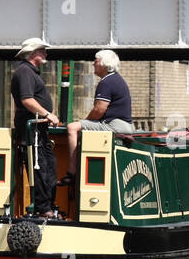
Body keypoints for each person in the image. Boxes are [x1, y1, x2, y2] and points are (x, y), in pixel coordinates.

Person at [11, 38, 60, 218]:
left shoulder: (32, 73)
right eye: (43, 50)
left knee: (49, 167)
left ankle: (48, 206)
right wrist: (48, 114)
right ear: (33, 53)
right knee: (38, 168)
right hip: (32, 131)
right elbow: (27, 100)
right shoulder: (25, 72)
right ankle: (43, 209)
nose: (46, 54)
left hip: (41, 130)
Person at [64, 50, 134, 179]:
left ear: (104, 64)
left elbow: (98, 111)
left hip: (114, 125)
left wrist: (84, 122)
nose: (93, 64)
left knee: (72, 127)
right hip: (124, 125)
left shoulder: (107, 82)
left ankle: (72, 170)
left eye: (95, 61)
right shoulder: (116, 79)